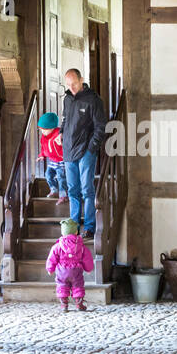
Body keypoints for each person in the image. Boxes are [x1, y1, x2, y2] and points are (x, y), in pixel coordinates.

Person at [60, 68, 108, 241]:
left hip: (86, 151)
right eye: (68, 85)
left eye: (74, 84)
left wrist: (91, 148)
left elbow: (101, 126)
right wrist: (61, 134)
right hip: (68, 151)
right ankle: (73, 226)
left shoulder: (93, 100)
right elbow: (64, 120)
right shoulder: (67, 99)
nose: (71, 87)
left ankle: (89, 226)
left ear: (81, 80)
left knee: (87, 189)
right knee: (72, 190)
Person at [45, 218, 95, 311]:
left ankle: (64, 305)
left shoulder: (57, 246)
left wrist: (50, 269)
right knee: (78, 286)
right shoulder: (81, 246)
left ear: (62, 233)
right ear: (76, 232)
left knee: (62, 286)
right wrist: (88, 268)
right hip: (76, 271)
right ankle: (79, 303)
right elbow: (87, 258)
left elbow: (52, 258)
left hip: (62, 271)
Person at [37, 110, 67, 204]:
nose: (43, 131)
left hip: (61, 160)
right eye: (41, 129)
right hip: (52, 161)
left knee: (61, 178)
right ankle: (54, 189)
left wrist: (61, 143)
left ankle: (63, 195)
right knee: (48, 175)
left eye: (45, 129)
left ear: (53, 128)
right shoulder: (44, 137)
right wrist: (42, 155)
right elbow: (44, 147)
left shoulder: (58, 134)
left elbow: (65, 144)